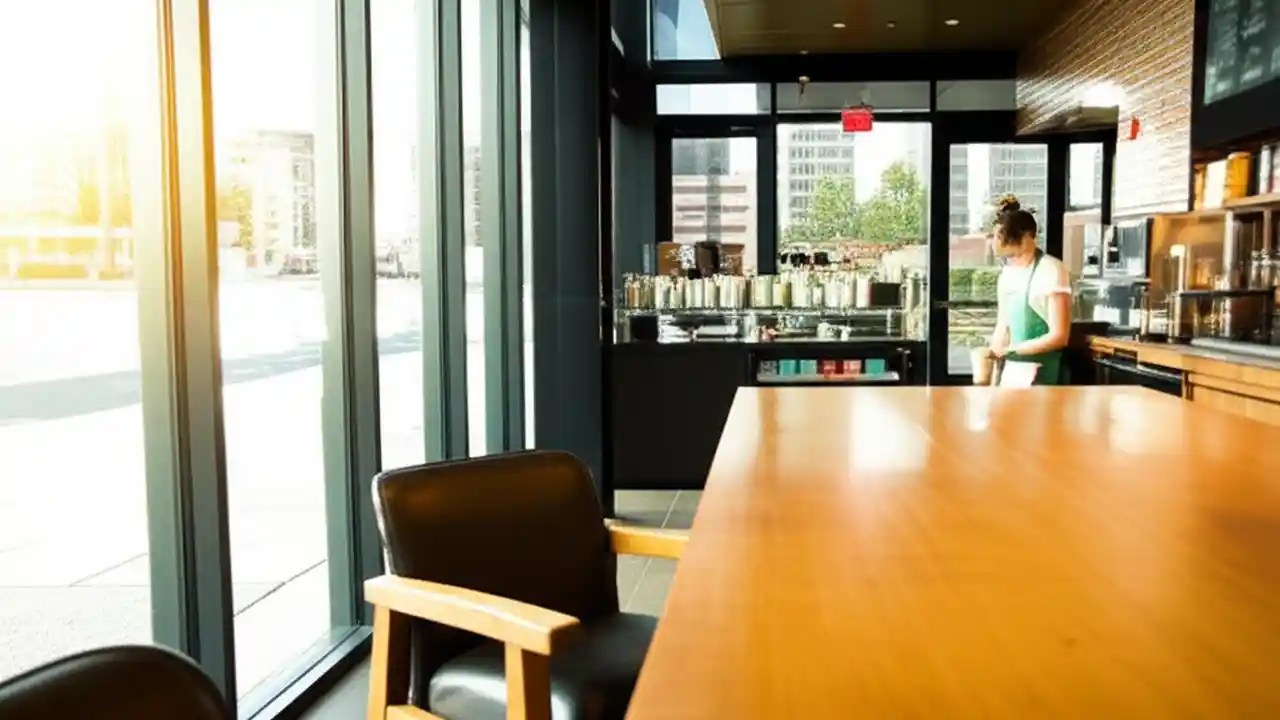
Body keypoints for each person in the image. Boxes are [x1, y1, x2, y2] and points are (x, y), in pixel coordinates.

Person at [987, 196, 1072, 385]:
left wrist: (1013, 349)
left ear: (1027, 237)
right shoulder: (1007, 274)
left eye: (1003, 238)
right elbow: (1003, 326)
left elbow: (1059, 336)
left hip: (1042, 372)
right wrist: (993, 380)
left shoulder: (1051, 270)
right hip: (1012, 373)